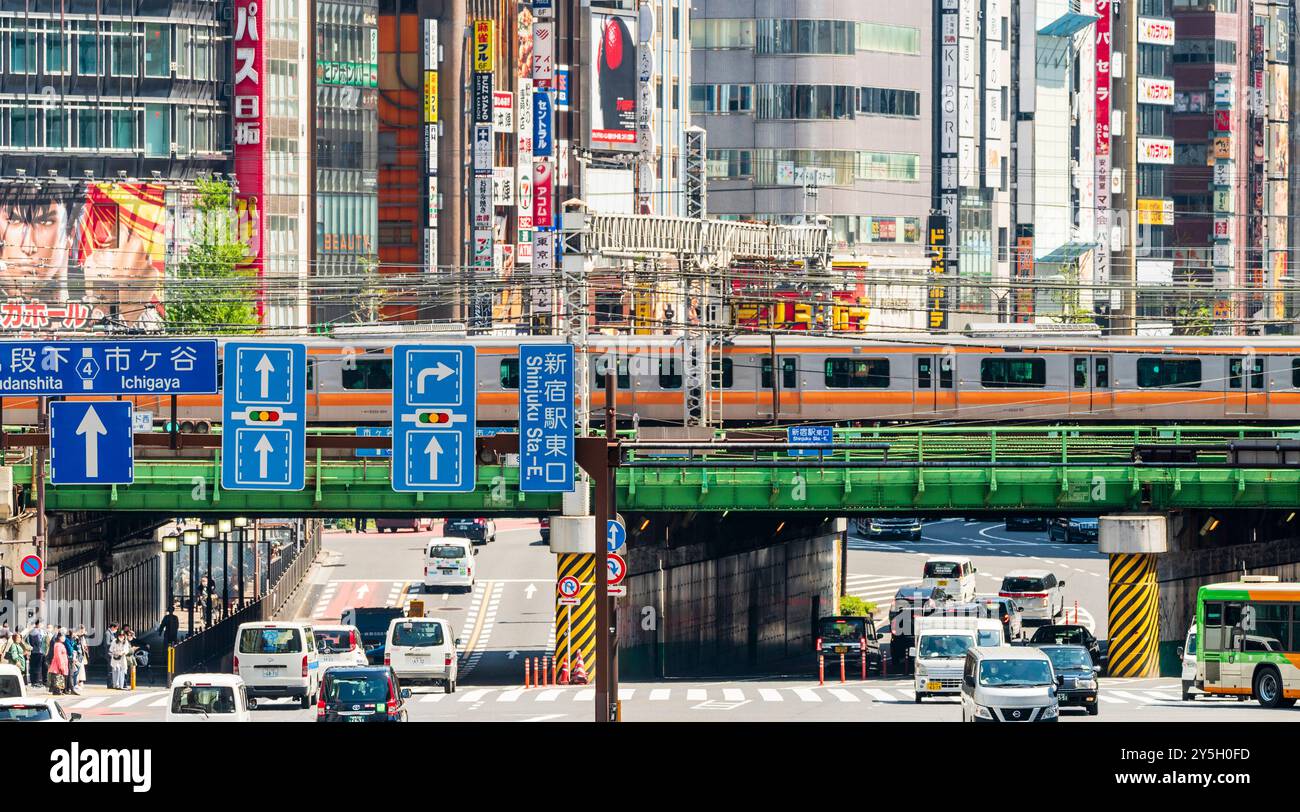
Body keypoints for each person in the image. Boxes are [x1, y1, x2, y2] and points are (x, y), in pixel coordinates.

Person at [46, 630, 69, 695]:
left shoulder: (60, 644)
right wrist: (61, 665)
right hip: (57, 664)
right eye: (63, 636)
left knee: (59, 677)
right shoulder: (58, 645)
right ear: (59, 637)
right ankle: (57, 690)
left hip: (60, 664)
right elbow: (58, 656)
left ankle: (59, 690)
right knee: (58, 678)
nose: (64, 638)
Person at [26, 622, 45, 688]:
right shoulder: (35, 632)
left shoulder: (37, 631)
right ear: (38, 624)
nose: (43, 625)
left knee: (36, 667)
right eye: (42, 623)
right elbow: (37, 642)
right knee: (37, 667)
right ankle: (35, 682)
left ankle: (35, 681)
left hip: (36, 651)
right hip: (37, 651)